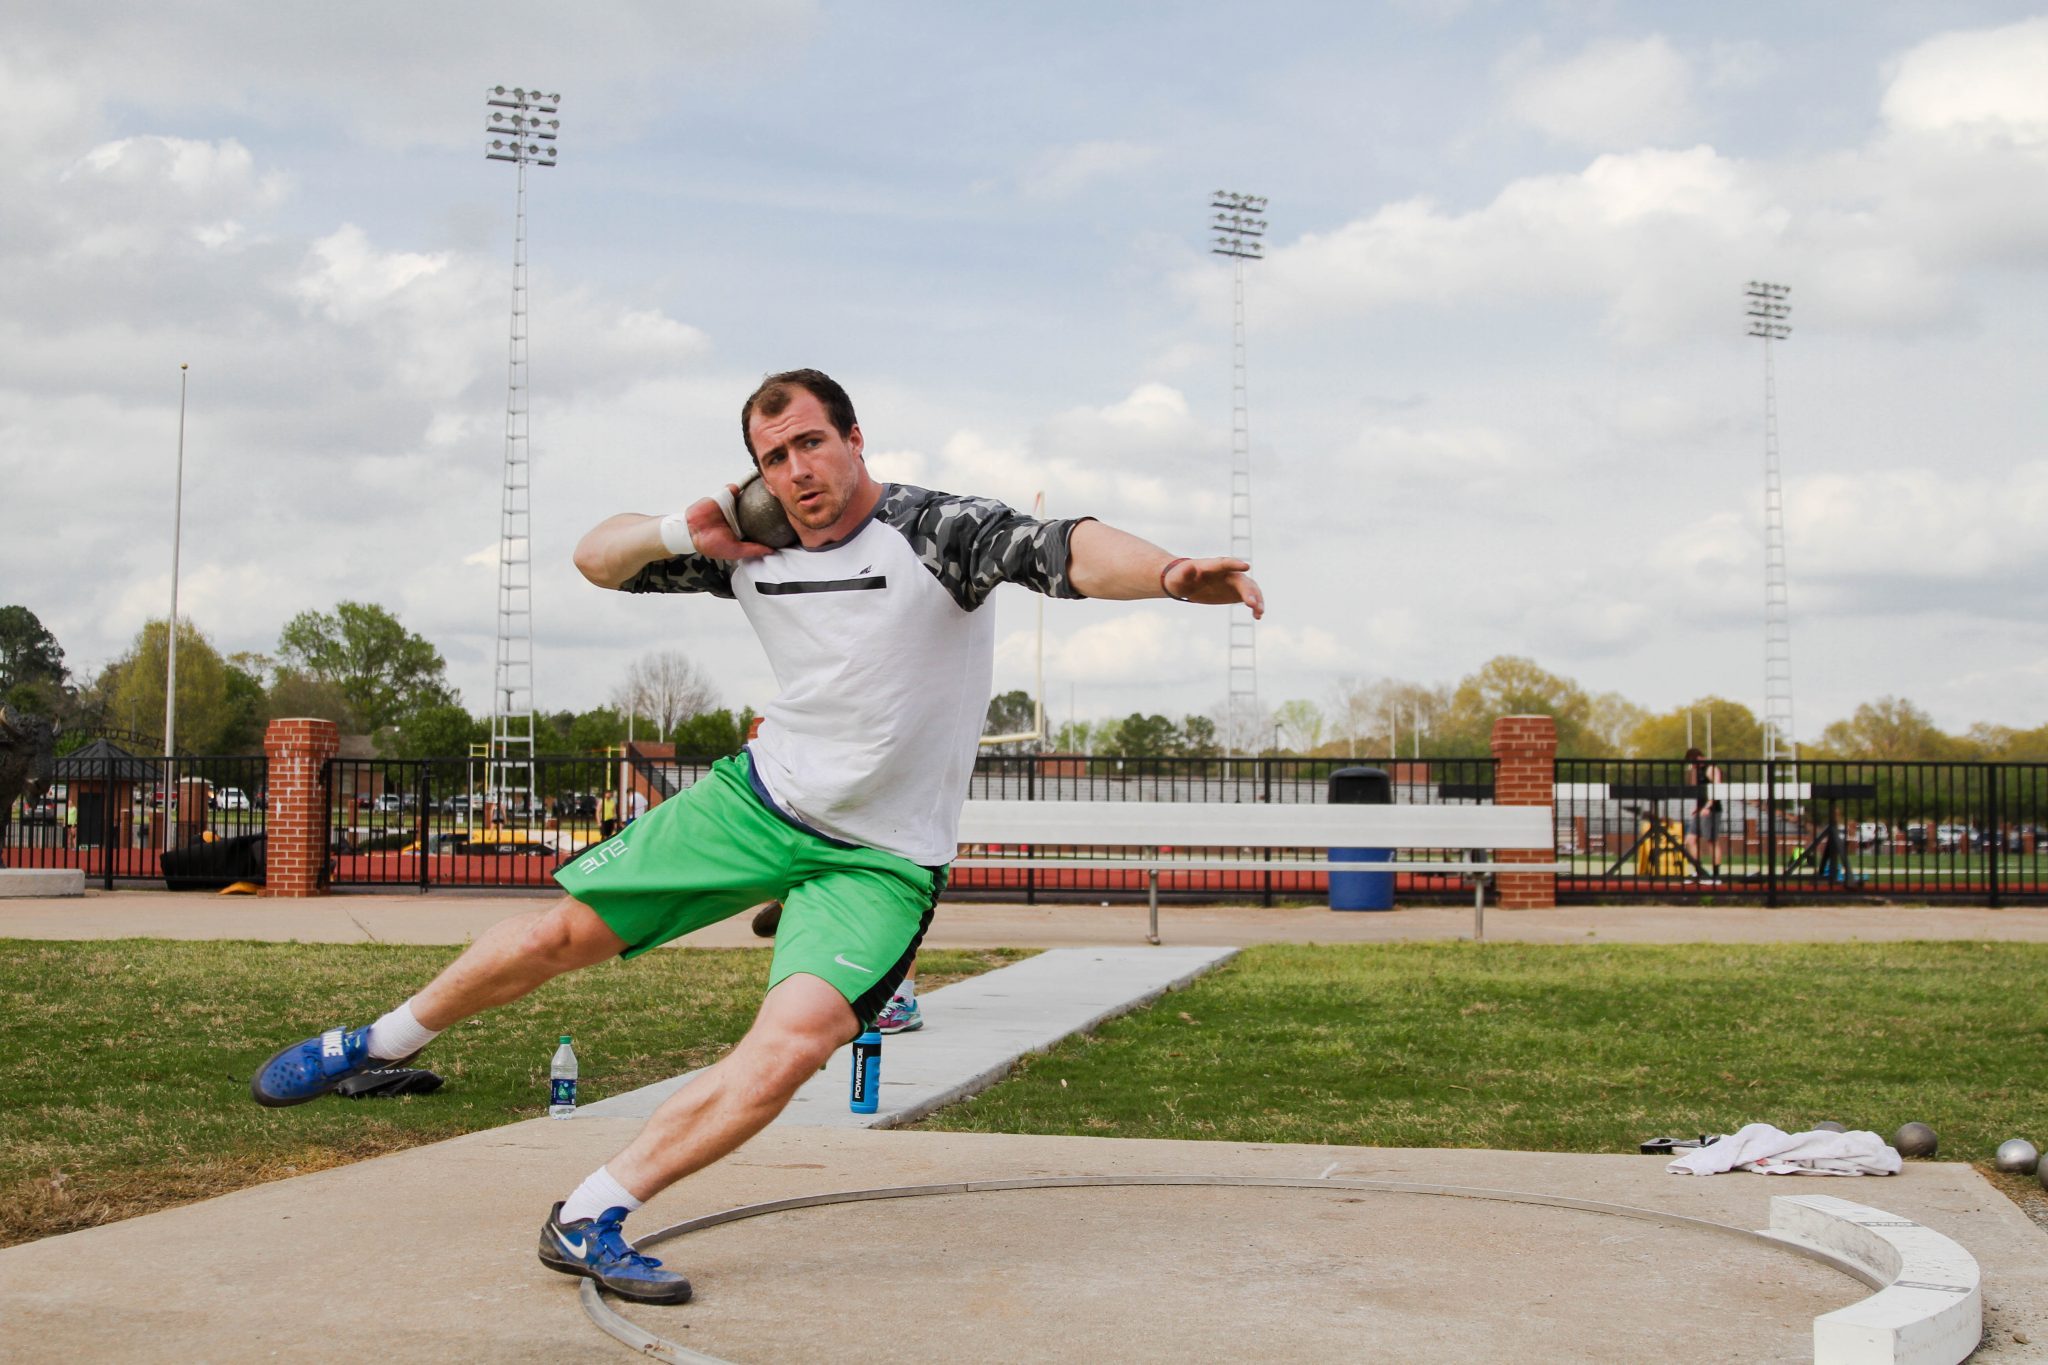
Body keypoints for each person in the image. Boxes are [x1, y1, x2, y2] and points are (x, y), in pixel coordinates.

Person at [247, 368, 1261, 1305]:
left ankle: (589, 1214)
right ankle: (371, 1046)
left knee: (791, 1047)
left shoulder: (935, 530)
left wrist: (1171, 573)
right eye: (774, 456)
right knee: (559, 934)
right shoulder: (746, 542)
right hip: (758, 802)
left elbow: (1065, 548)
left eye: (812, 443)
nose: (797, 471)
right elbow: (595, 558)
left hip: (881, 857)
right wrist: (677, 527)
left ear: (854, 440)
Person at [1683, 746, 1724, 876]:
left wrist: (1708, 806)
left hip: (1711, 810)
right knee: (1690, 840)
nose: (1692, 765)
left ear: (1699, 758)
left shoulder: (1711, 768)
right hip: (1700, 809)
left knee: (1712, 841)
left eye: (1693, 762)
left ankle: (1716, 874)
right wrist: (1698, 807)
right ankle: (1699, 871)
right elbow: (1698, 790)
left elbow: (1717, 789)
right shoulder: (1697, 770)